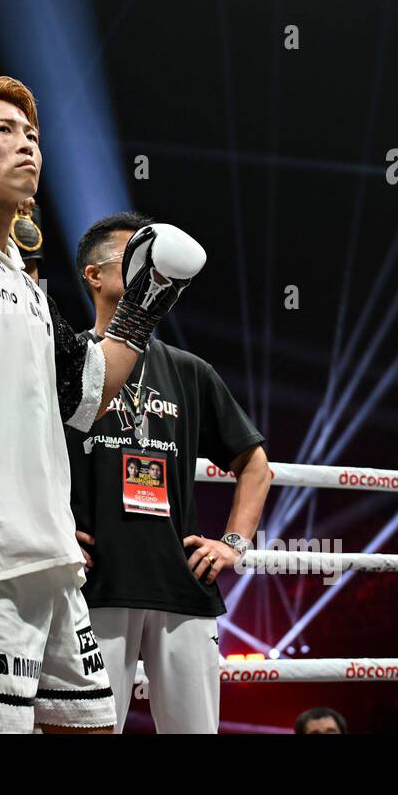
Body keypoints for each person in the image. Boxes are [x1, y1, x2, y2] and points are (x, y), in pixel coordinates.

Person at [0, 76, 205, 734]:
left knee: (91, 727)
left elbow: (87, 393)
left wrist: (142, 307)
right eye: (3, 130)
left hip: (52, 560)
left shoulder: (26, 285)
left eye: (32, 135)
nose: (26, 144)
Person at [68, 212, 272, 734]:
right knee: (88, 729)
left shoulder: (189, 370)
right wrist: (47, 531)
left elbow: (255, 466)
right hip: (92, 582)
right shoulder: (66, 359)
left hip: (182, 581)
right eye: (135, 255)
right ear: (94, 275)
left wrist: (232, 543)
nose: (150, 266)